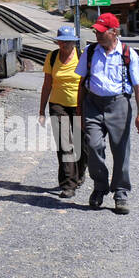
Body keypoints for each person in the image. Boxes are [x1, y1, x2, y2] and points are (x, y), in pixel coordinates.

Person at [76, 13, 139, 214]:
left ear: (114, 32)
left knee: (121, 150)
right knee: (92, 145)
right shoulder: (89, 52)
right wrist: (79, 110)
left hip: (119, 104)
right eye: (96, 32)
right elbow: (81, 83)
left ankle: (121, 192)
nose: (97, 35)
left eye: (101, 32)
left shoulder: (128, 53)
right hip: (92, 104)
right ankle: (100, 187)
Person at [38, 24, 86, 198]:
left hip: (80, 104)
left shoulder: (82, 57)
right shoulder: (51, 57)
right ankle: (68, 184)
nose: (65, 46)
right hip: (58, 105)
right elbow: (46, 85)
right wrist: (41, 110)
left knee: (82, 144)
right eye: (62, 42)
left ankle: (79, 174)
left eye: (68, 42)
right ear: (58, 42)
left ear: (74, 42)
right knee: (64, 145)